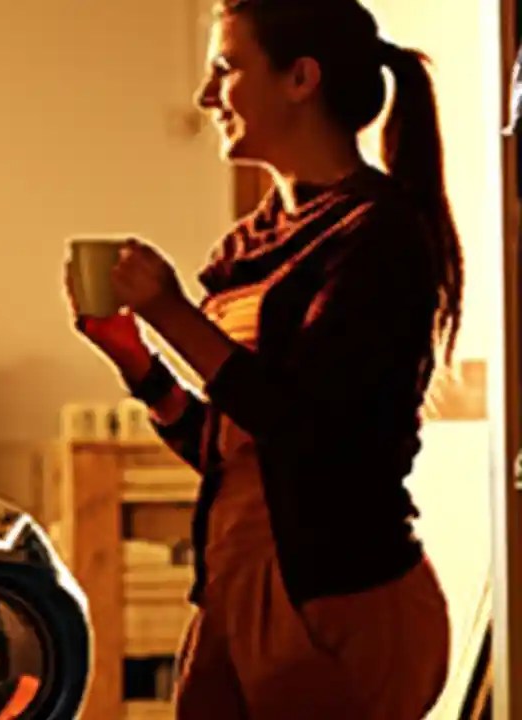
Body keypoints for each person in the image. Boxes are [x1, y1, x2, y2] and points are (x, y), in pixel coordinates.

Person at [65, 1, 459, 717]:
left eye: (225, 67)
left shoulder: (378, 237)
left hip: (337, 603)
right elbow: (235, 450)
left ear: (300, 78)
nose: (206, 95)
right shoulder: (251, 245)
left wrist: (175, 315)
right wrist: (139, 363)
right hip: (237, 592)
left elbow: (309, 433)